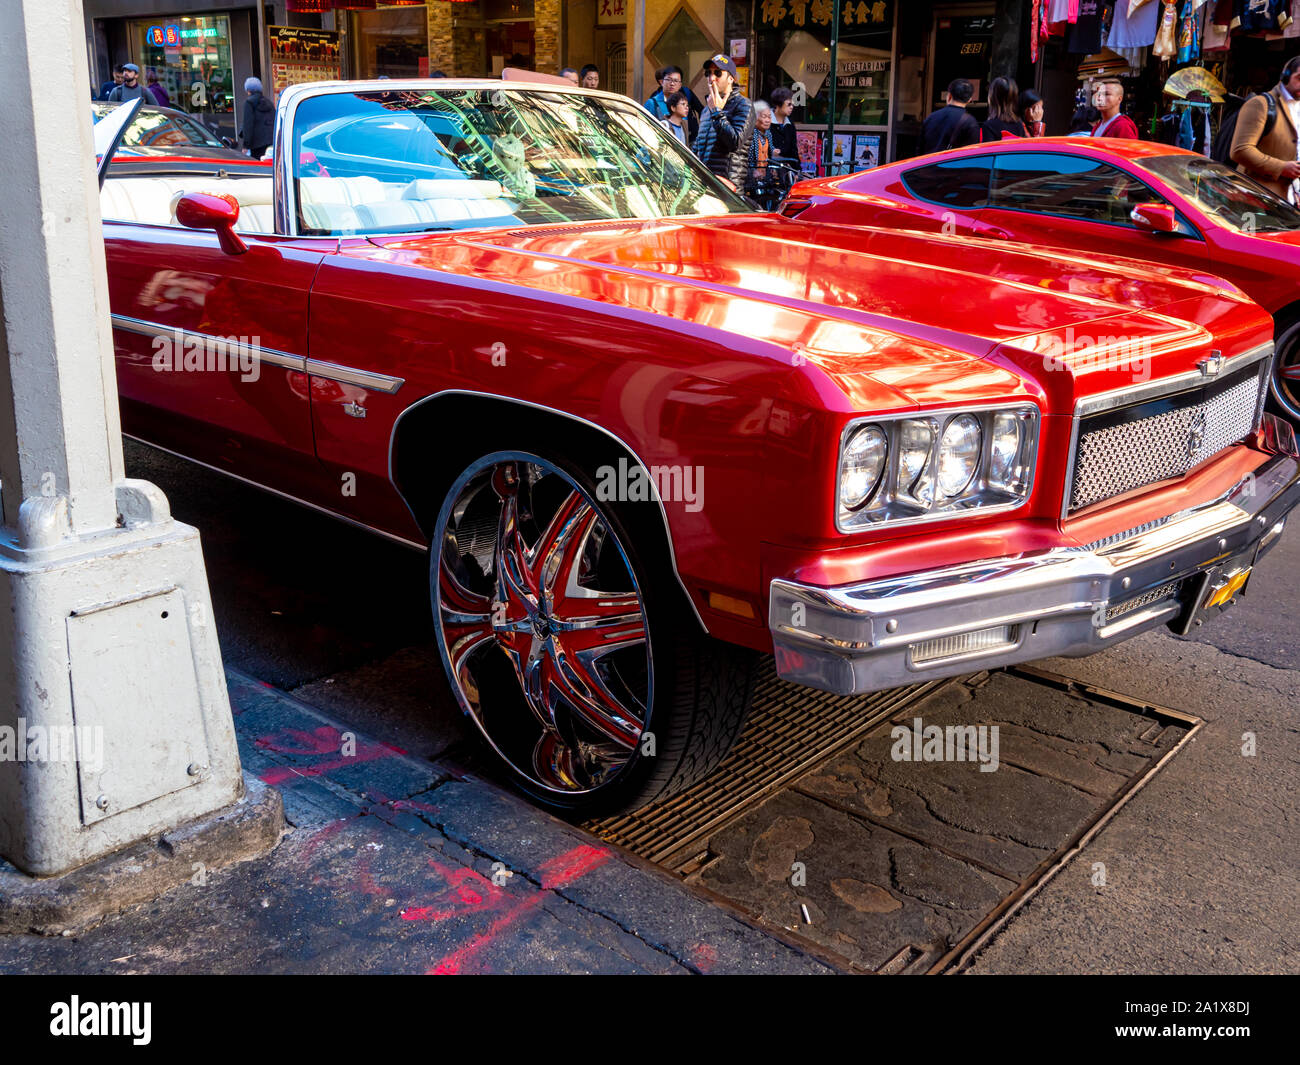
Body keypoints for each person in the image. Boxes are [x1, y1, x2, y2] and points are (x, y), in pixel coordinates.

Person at [1231, 55, 1300, 203]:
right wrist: (1281, 167)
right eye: (1299, 78)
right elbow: (1240, 150)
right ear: (1285, 76)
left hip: (1291, 201)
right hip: (1257, 200)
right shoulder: (1261, 104)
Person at [691, 54, 755, 187]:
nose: (711, 78)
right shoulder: (706, 109)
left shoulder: (743, 105)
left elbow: (734, 143)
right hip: (704, 186)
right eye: (708, 73)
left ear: (731, 78)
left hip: (728, 188)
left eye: (718, 73)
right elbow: (698, 147)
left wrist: (716, 112)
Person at [919, 79, 980, 153]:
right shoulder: (970, 122)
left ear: (949, 96)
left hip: (928, 163)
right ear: (969, 100)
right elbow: (972, 154)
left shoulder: (931, 117)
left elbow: (920, 148)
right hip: (954, 164)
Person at [644, 65, 701, 140]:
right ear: (662, 82)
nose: (672, 84)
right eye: (668, 80)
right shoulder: (652, 103)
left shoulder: (683, 102)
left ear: (680, 85)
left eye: (676, 81)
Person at [241, 76, 275, 160]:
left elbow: (248, 125)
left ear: (248, 90)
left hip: (256, 144)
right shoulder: (269, 102)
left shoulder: (249, 103)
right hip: (271, 142)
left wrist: (246, 145)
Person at [748, 100, 774, 186]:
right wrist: (752, 171)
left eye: (769, 117)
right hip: (750, 178)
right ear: (755, 117)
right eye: (764, 116)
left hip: (764, 178)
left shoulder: (768, 134)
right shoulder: (749, 133)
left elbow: (769, 152)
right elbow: (744, 158)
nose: (768, 120)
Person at [769, 86, 798, 162]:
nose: (792, 107)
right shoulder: (766, 121)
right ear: (778, 104)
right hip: (768, 167)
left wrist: (797, 171)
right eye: (789, 104)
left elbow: (794, 150)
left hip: (787, 169)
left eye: (793, 105)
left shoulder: (790, 124)